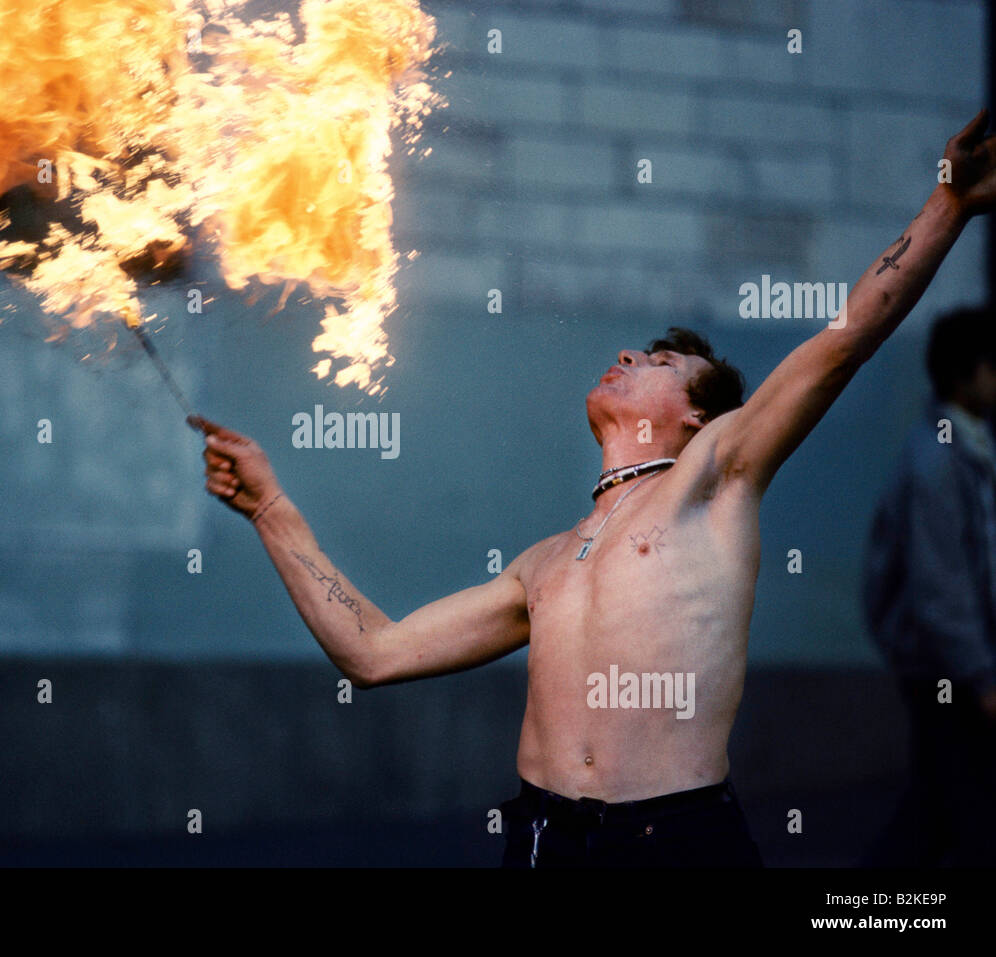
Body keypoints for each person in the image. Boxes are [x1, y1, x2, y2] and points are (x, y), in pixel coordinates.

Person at [196, 110, 996, 867]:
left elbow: (843, 342)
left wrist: (949, 203)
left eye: (659, 360)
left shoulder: (716, 474)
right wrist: (272, 511)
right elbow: (373, 652)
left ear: (694, 416)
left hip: (674, 843)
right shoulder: (543, 566)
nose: (627, 353)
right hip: (543, 843)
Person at [862, 305, 996, 866]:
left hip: (953, 661)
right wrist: (983, 678)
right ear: (966, 373)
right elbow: (940, 586)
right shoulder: (935, 458)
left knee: (940, 810)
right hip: (944, 666)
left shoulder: (969, 443)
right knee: (962, 816)